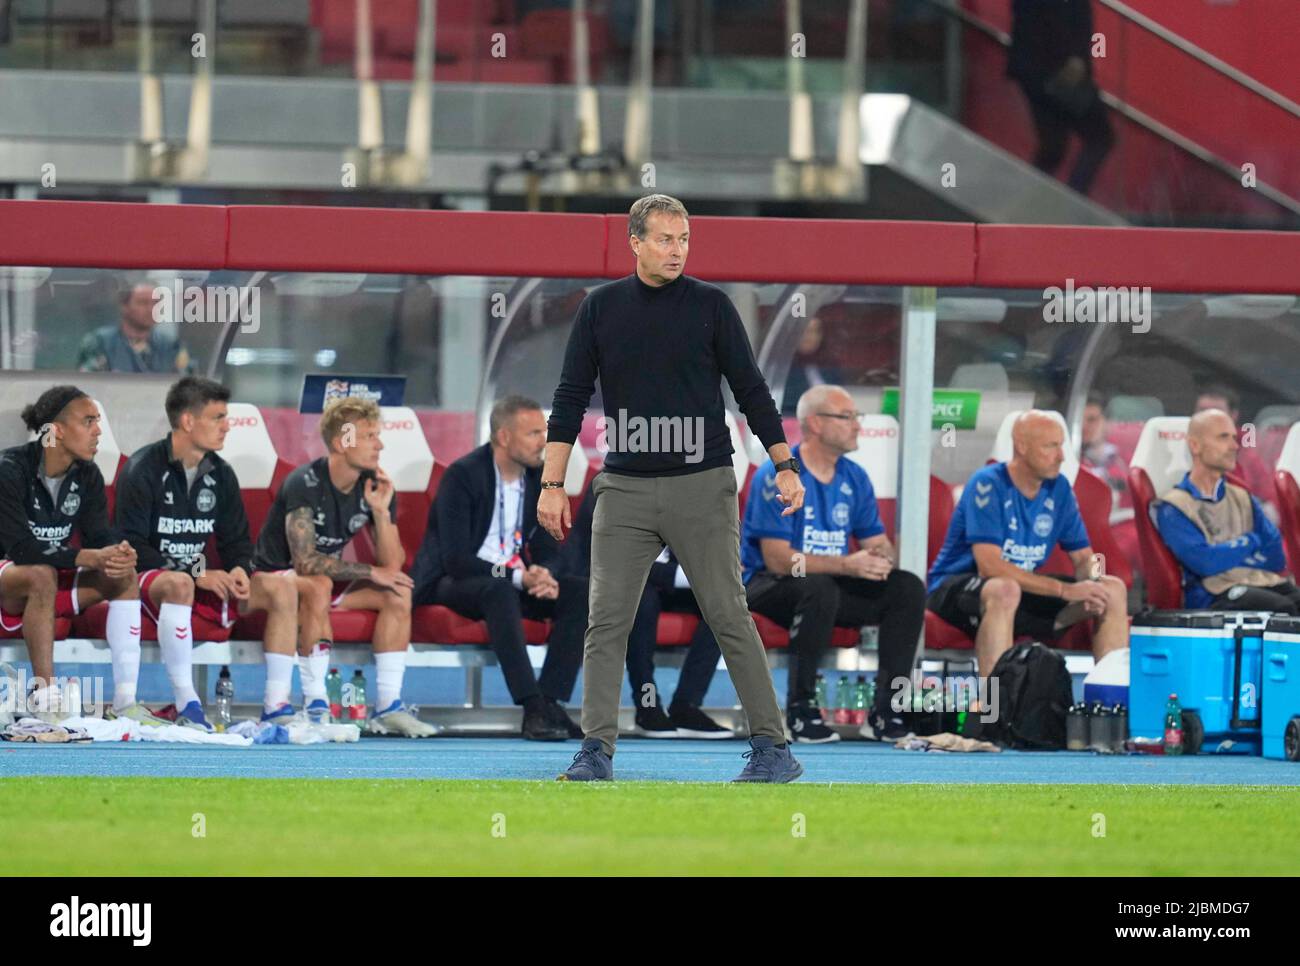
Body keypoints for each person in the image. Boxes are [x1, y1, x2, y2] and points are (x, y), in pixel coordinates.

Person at [541, 193, 806, 783]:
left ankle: (773, 748)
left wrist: (786, 465)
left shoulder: (711, 306)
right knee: (605, 618)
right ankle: (596, 752)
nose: (676, 250)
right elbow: (568, 399)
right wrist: (552, 483)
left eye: (683, 239)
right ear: (634, 241)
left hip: (702, 483)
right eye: (664, 239)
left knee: (727, 613)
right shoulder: (600, 308)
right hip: (626, 486)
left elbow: (752, 389)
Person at [114, 377, 301, 730]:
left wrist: (240, 570)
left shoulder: (222, 473)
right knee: (179, 583)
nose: (226, 426)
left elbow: (237, 543)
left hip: (197, 576)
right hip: (149, 581)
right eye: (218, 417)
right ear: (187, 421)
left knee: (281, 587)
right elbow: (132, 545)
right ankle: (188, 703)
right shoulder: (142, 468)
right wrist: (196, 571)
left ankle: (277, 704)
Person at [743, 385, 926, 743]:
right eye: (848, 417)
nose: (858, 425)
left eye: (858, 417)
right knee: (818, 586)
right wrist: (847, 565)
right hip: (771, 584)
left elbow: (876, 542)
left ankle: (887, 712)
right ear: (815, 423)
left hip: (828, 586)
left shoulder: (855, 477)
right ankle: (801, 710)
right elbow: (778, 559)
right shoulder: (778, 476)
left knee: (907, 587)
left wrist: (883, 557)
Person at [251, 396, 436, 736]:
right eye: (369, 436)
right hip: (272, 578)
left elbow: (391, 565)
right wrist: (368, 572)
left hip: (324, 579)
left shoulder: (375, 484)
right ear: (341, 442)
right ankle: (304, 703)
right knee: (318, 584)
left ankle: (388, 706)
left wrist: (380, 511)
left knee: (397, 593)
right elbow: (304, 563)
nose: (379, 445)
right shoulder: (304, 482)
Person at [411, 396, 587, 742]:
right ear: (504, 437)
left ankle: (550, 700)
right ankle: (531, 703)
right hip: (457, 582)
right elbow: (456, 559)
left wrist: (546, 574)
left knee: (579, 591)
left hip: (513, 582)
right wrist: (519, 577)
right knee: (499, 589)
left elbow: (551, 547)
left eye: (545, 432)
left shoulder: (538, 479)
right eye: (534, 433)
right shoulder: (462, 476)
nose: (544, 442)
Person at [0, 386, 163, 724]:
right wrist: (84, 558)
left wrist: (118, 552)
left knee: (122, 576)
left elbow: (99, 535)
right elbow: (19, 546)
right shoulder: (10, 468)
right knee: (40, 573)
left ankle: (124, 703)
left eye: (97, 421)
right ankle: (45, 695)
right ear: (56, 431)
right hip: (10, 581)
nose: (98, 431)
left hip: (46, 584)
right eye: (88, 421)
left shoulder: (87, 475)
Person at [927, 411, 1128, 681]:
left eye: (1061, 446)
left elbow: (1086, 556)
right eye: (1050, 446)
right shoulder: (987, 483)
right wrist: (1064, 590)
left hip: (1021, 591)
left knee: (1112, 589)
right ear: (1021, 447)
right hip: (958, 588)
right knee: (1004, 588)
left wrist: (1094, 579)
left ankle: (1110, 699)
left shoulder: (1060, 490)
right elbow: (989, 566)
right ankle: (997, 708)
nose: (1061, 456)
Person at [563, 474, 733, 739]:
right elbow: (611, 558)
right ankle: (647, 704)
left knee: (721, 603)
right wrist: (684, 575)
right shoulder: (610, 481)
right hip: (623, 579)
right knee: (643, 597)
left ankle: (686, 704)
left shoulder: (692, 481)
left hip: (677, 577)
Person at [1154, 408, 1298, 611]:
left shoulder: (1242, 497)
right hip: (1211, 596)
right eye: (1223, 437)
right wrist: (1251, 541)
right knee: (1281, 610)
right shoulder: (1174, 507)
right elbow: (1204, 563)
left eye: (1234, 438)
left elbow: (1275, 557)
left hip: (1259, 582)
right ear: (1195, 445)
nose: (1234, 446)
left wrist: (1224, 555)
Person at [1007, 0, 1113, 195]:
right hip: (1058, 68)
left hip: (1037, 67)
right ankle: (1071, 203)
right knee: (1099, 136)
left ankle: (1031, 204)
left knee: (1054, 146)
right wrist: (1075, 56)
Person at [77, 283, 193, 374]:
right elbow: (88, 383)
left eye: (156, 303)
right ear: (124, 306)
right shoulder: (100, 342)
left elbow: (187, 383)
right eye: (143, 303)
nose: (151, 309)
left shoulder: (171, 345)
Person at [1195, 383, 1275, 513]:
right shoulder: (1179, 446)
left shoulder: (1247, 452)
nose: (1207, 418)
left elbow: (1268, 502)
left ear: (1233, 416)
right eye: (1202, 411)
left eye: (1216, 412)